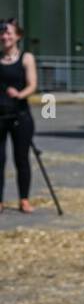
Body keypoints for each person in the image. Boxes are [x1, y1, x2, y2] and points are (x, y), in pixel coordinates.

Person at [0, 18, 37, 214]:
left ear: (18, 36)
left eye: (9, 33)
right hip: (0, 114)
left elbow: (32, 85)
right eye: (2, 33)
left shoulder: (26, 58)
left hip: (20, 114)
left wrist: (20, 94)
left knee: (21, 158)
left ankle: (24, 199)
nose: (5, 36)